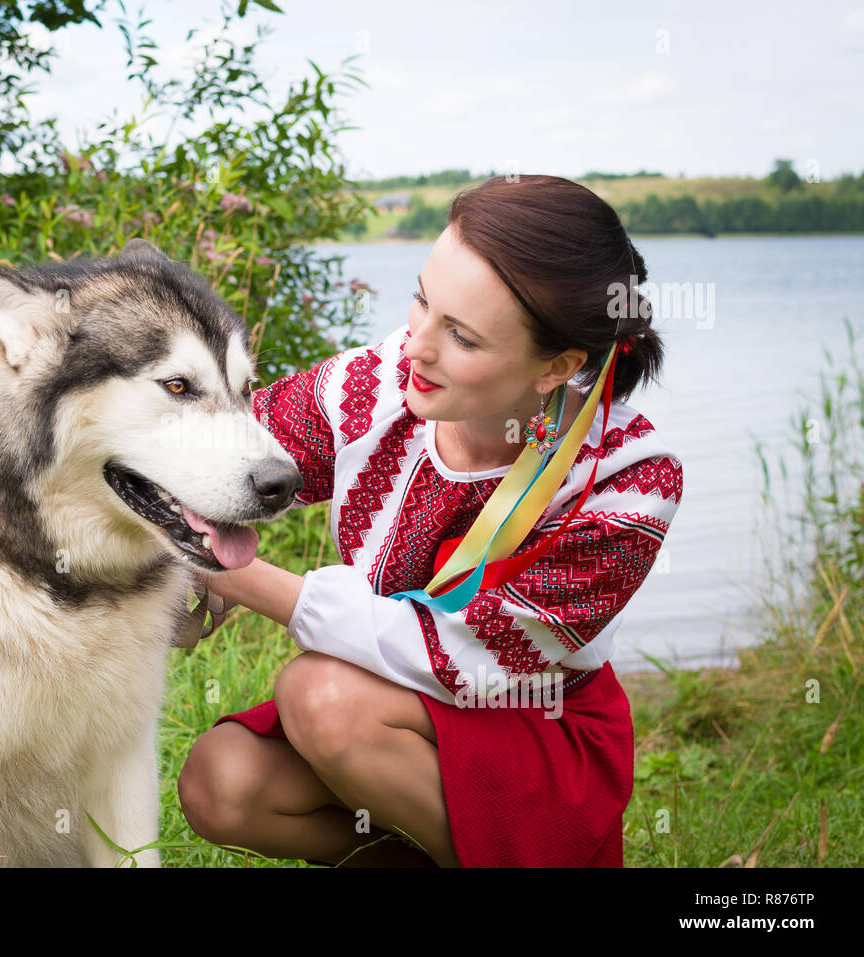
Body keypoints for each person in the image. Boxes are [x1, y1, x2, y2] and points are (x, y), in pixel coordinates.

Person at [175, 174, 684, 868]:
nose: (416, 345)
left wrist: (231, 574)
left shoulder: (628, 479)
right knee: (221, 782)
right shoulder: (386, 380)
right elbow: (238, 451)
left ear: (557, 365)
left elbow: (460, 659)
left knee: (318, 693)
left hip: (531, 724)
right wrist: (171, 551)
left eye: (463, 337)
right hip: (385, 707)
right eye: (421, 299)